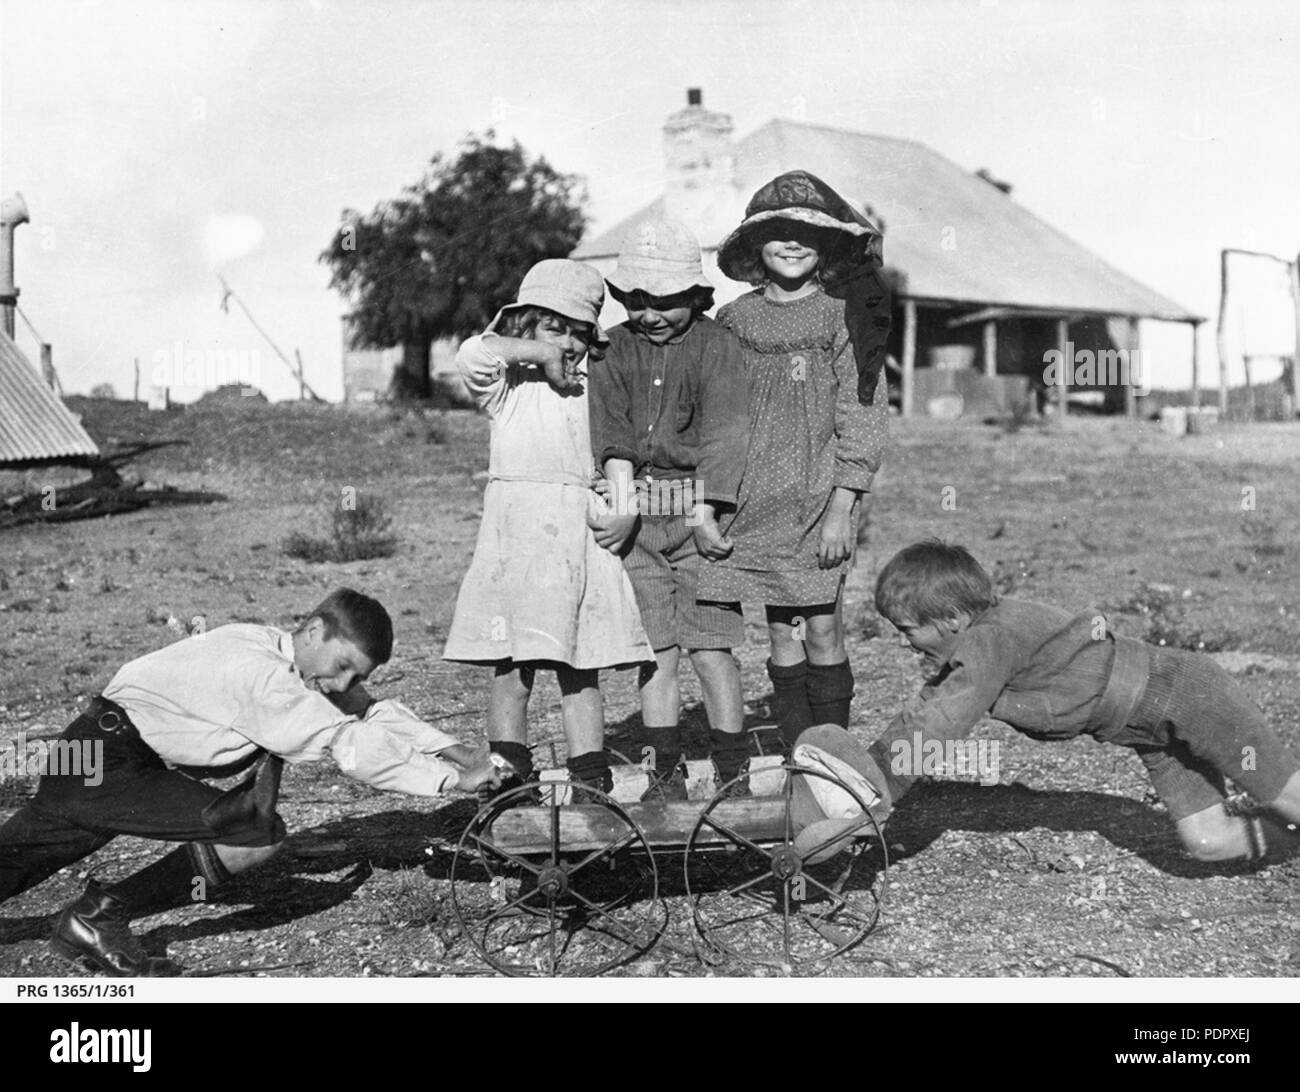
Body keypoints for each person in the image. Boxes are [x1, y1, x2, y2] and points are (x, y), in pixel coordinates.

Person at [0, 588, 502, 976]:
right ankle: (95, 918)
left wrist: (461, 755)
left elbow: (368, 710)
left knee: (24, 854)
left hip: (100, 755)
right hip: (103, 762)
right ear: (313, 631)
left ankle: (91, 917)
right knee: (254, 831)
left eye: (357, 673)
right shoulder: (264, 676)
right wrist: (450, 782)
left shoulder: (281, 652)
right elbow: (350, 745)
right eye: (344, 666)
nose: (346, 684)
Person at [793, 540, 1300, 865]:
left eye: (907, 629)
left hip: (1188, 695)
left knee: (1290, 796)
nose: (906, 642)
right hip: (1152, 735)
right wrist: (872, 764)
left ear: (949, 617)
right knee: (1207, 845)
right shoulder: (976, 647)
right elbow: (926, 710)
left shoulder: (991, 639)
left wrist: (876, 787)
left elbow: (943, 723)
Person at [699, 170, 892, 754]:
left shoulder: (842, 316)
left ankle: (833, 758)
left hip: (816, 502)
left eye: (806, 233)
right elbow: (712, 410)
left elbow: (862, 412)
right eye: (777, 231)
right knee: (780, 632)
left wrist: (842, 509)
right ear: (754, 244)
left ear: (827, 245)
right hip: (749, 502)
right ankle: (795, 754)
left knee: (824, 626)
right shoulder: (734, 320)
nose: (791, 243)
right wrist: (707, 499)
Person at [442, 259, 652, 797]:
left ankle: (591, 784)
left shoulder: (593, 387)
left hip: (575, 538)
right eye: (551, 328)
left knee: (579, 668)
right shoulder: (506, 386)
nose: (567, 344)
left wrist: (623, 503)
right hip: (516, 539)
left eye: (578, 333)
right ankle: (508, 783)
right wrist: (540, 354)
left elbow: (617, 450)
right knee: (511, 667)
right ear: (524, 327)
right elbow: (472, 353)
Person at [587, 219, 752, 800]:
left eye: (664, 303)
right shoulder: (610, 348)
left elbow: (726, 434)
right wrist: (626, 504)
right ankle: (662, 770)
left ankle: (733, 766)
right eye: (636, 301)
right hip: (638, 516)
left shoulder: (717, 346)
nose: (650, 314)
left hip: (699, 516)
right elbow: (610, 431)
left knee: (710, 644)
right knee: (656, 650)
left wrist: (707, 511)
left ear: (696, 295)